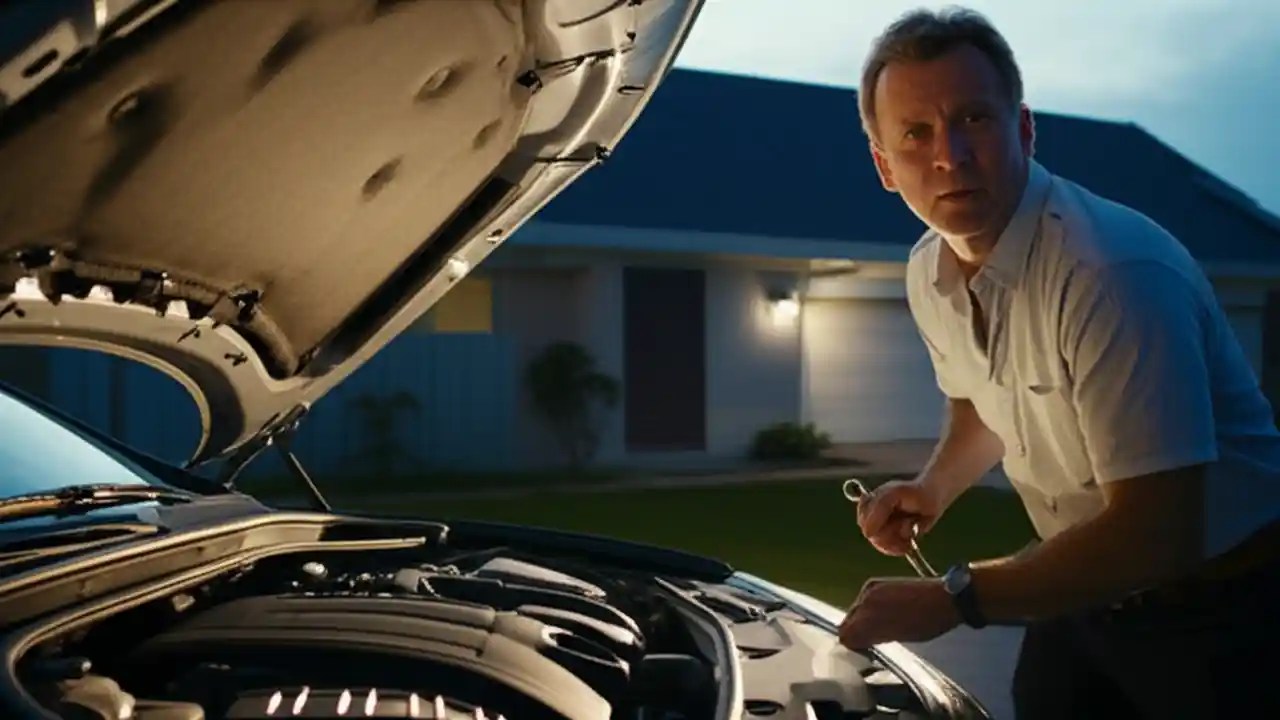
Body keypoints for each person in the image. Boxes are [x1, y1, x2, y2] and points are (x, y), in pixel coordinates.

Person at [836, 6, 1280, 719]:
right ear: (885, 166)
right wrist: (932, 488)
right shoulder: (929, 269)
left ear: (1024, 129)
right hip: (1081, 584)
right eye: (916, 133)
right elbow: (982, 406)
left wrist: (955, 597)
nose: (949, 154)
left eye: (974, 118)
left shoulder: (1112, 273)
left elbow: (1157, 530)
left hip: (1223, 605)